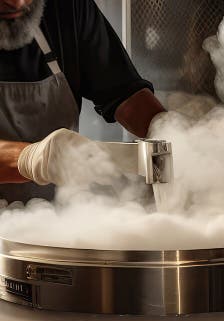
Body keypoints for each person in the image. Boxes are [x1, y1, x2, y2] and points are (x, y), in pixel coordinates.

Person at [0, 0, 165, 202]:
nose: (16, 2)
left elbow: (125, 95)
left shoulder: (68, 7)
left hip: (53, 218)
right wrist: (29, 159)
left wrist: (174, 134)